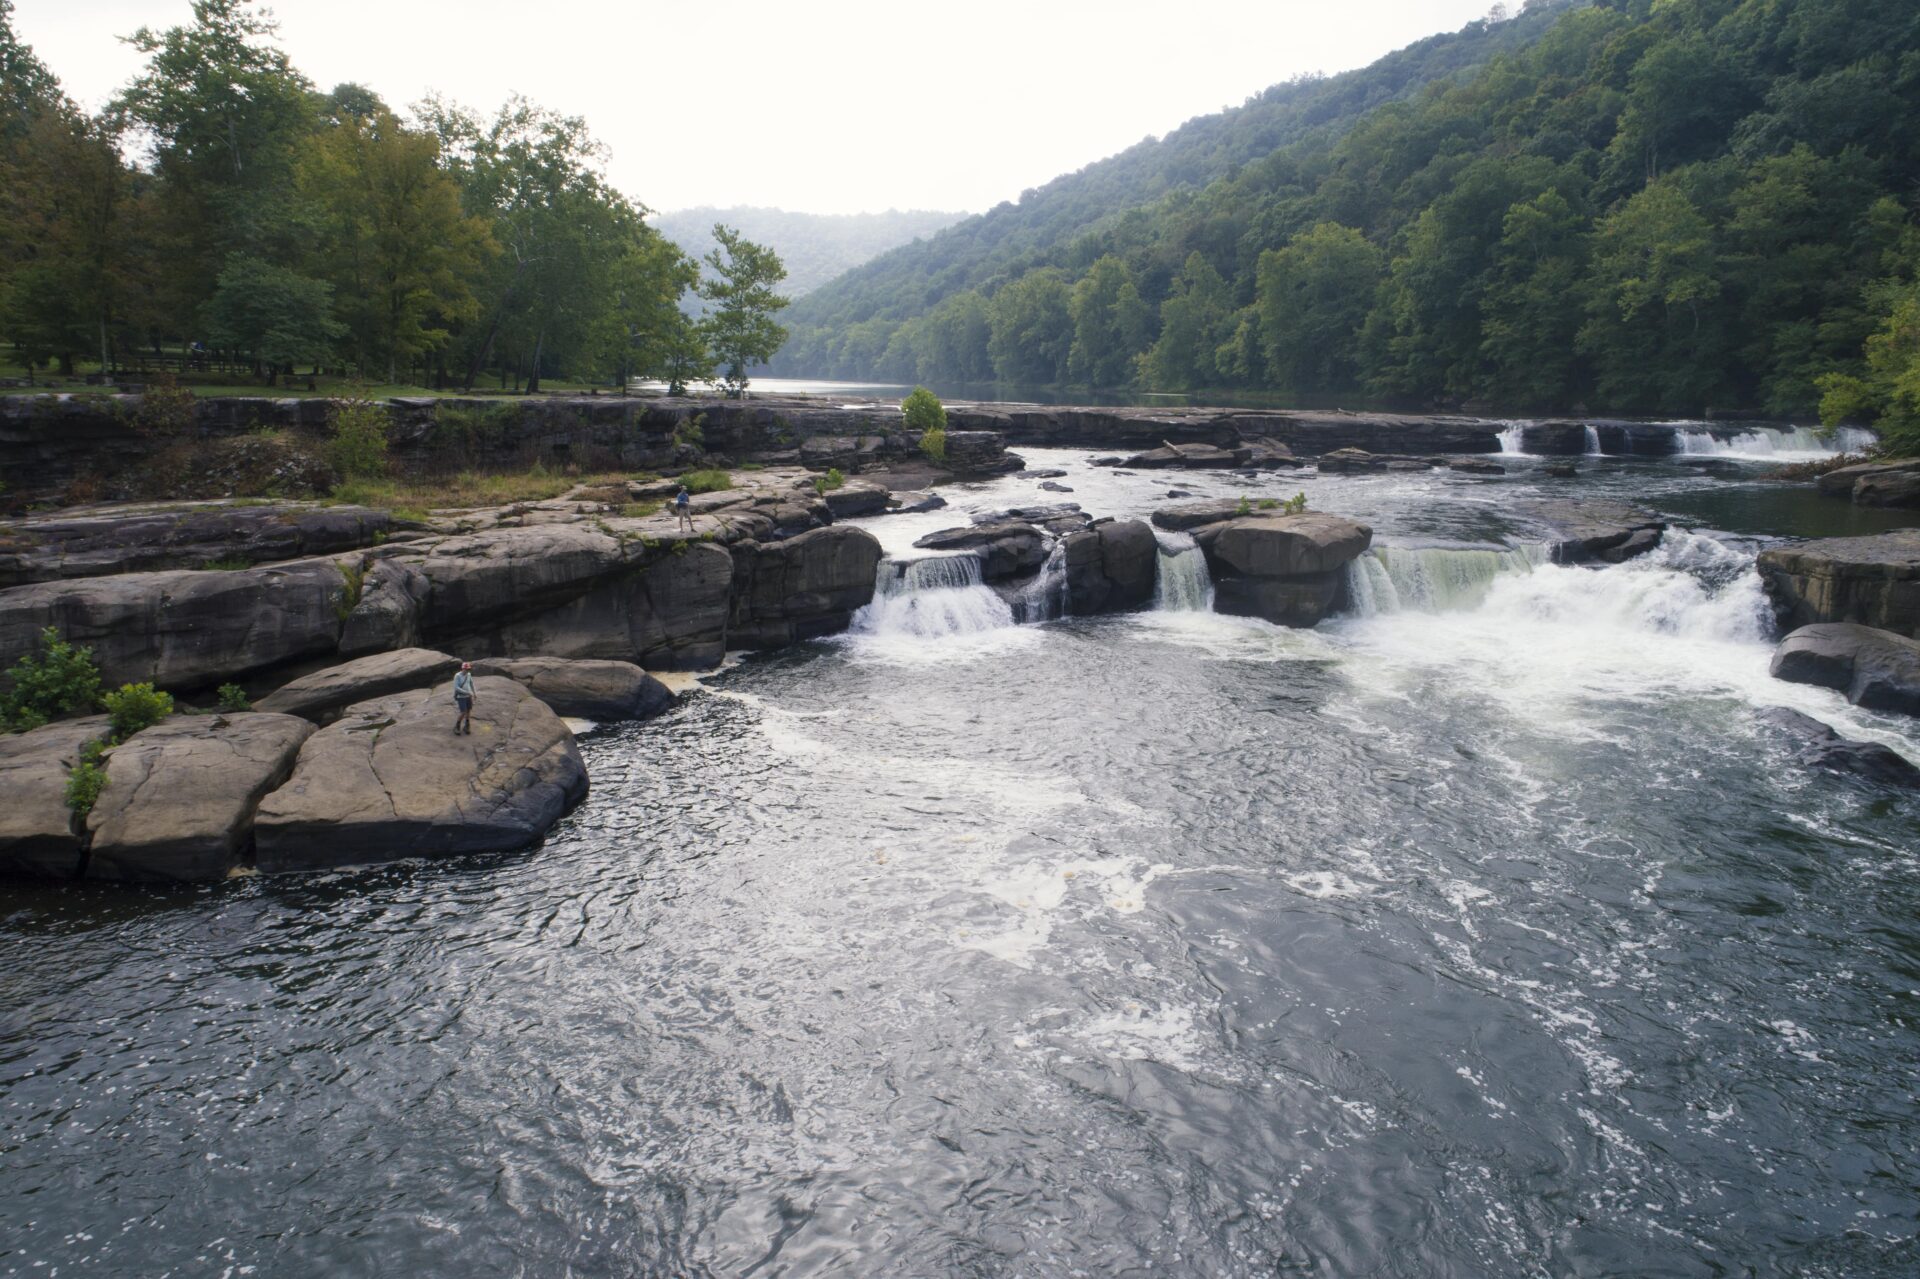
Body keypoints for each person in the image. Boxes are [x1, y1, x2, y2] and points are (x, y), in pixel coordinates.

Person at [452, 661, 476, 735]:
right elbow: (456, 688)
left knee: (468, 710)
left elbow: (471, 683)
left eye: (468, 669)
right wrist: (467, 692)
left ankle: (467, 726)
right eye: (466, 669)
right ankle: (457, 726)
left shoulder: (468, 674)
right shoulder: (457, 676)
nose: (467, 671)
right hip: (461, 696)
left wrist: (474, 693)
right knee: (463, 712)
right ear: (462, 669)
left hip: (468, 696)